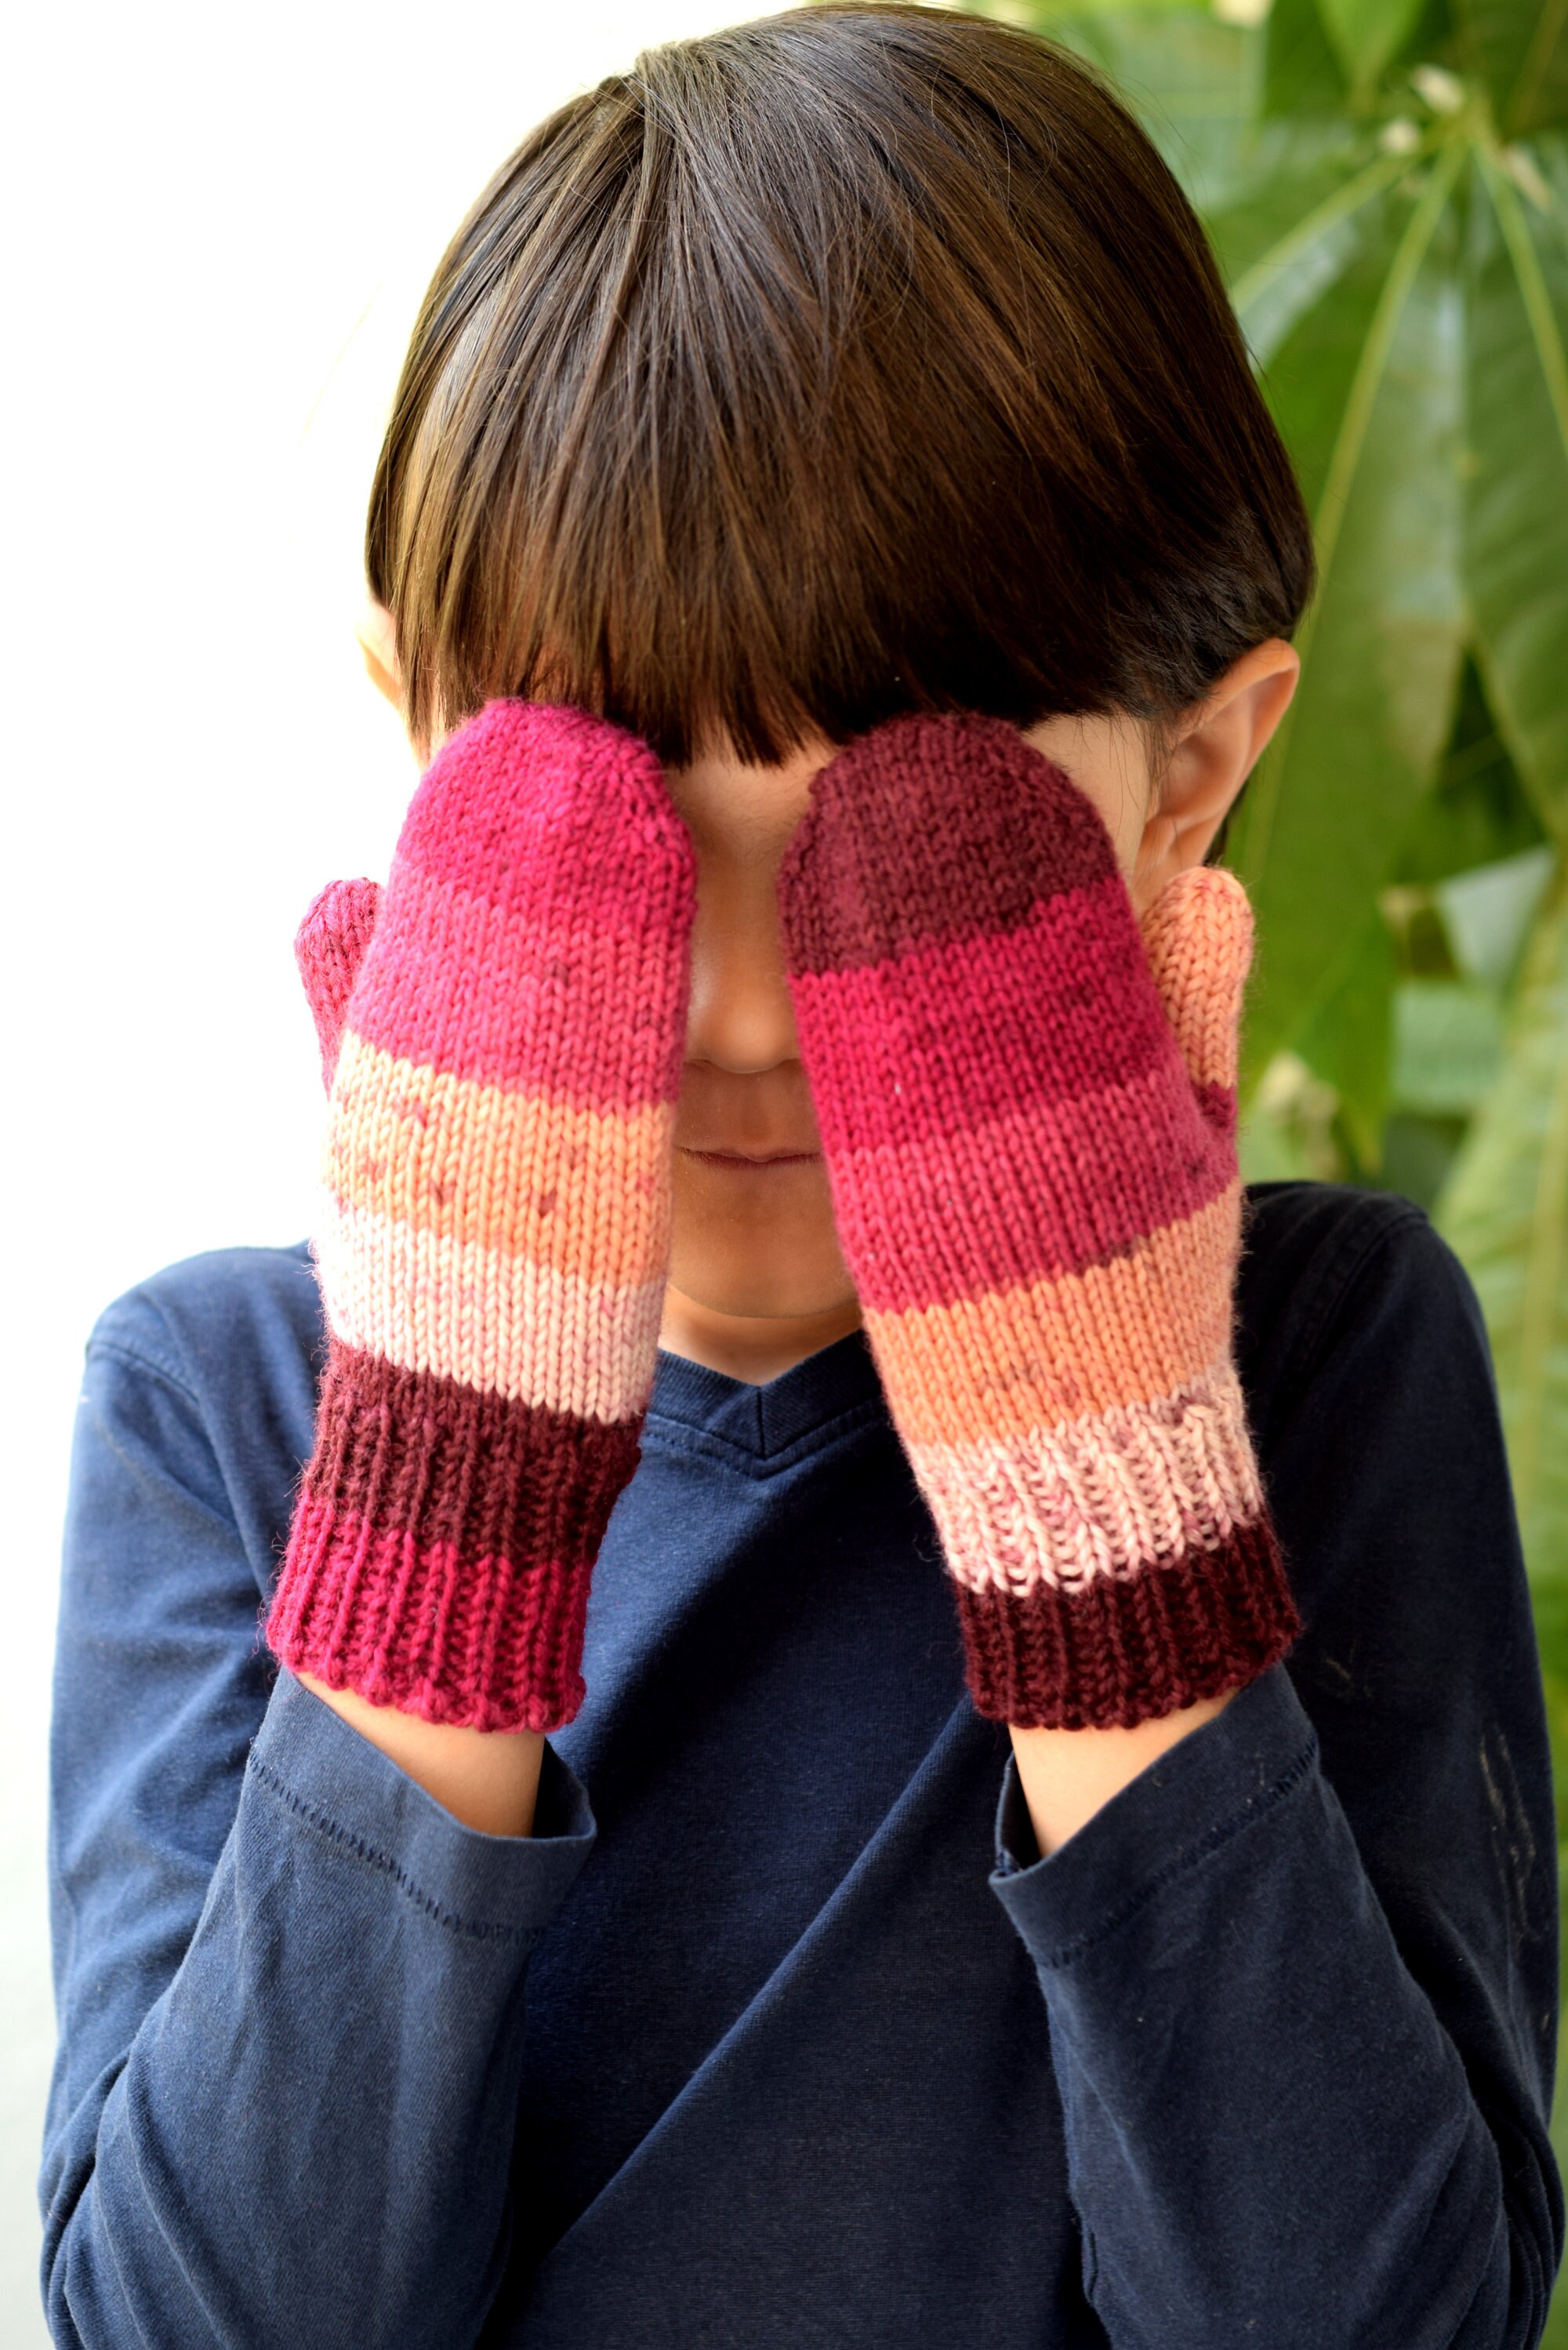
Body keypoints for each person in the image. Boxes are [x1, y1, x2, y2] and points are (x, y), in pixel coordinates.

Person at [39, 6, 1564, 2344]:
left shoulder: (1318, 1362)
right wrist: (444, 1462)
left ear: (1194, 772)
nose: (740, 1004)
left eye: (892, 811)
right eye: (617, 793)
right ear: (421, 748)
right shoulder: (235, 1402)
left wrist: (1102, 1476)